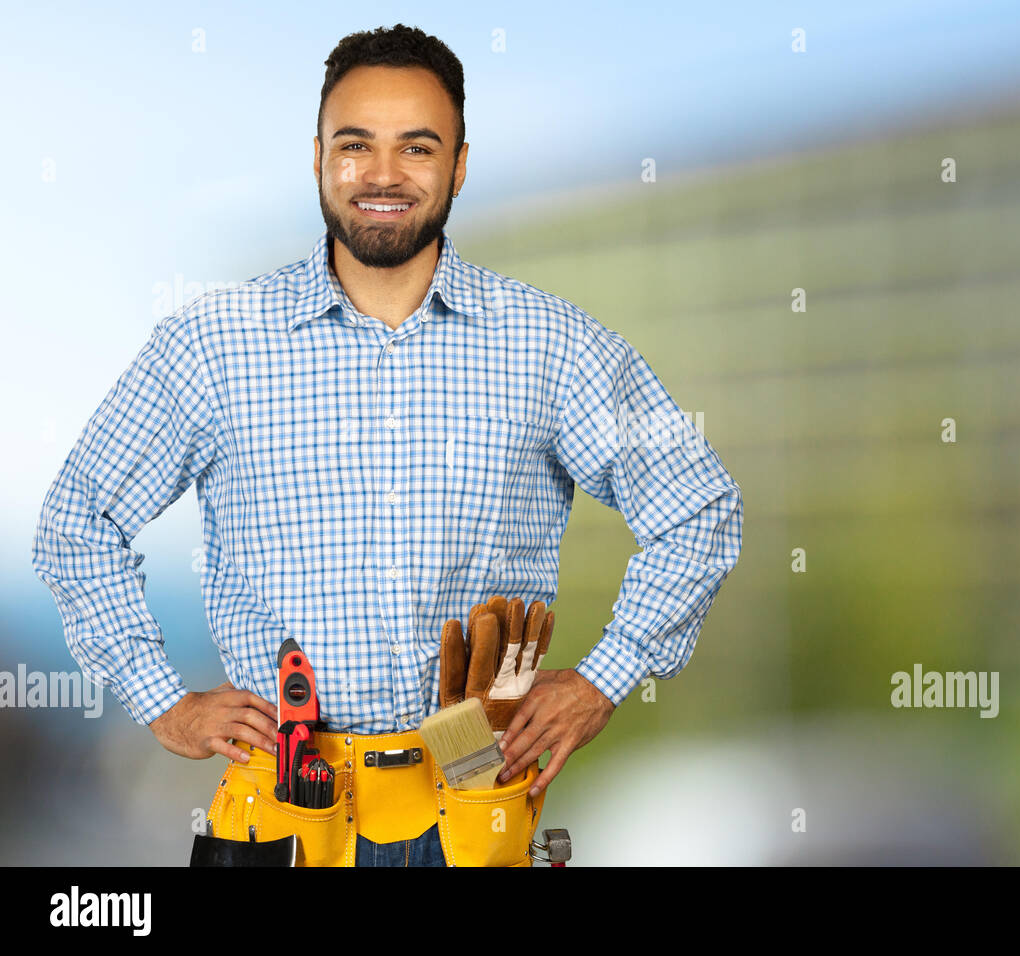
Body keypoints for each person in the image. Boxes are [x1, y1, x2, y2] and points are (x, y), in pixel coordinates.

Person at [31, 23, 743, 866]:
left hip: (477, 798)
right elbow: (74, 526)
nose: (381, 174)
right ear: (319, 157)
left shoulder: (553, 346)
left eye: (417, 147)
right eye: (355, 144)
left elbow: (700, 509)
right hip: (285, 815)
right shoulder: (212, 346)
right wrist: (163, 701)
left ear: (461, 165)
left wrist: (605, 679)